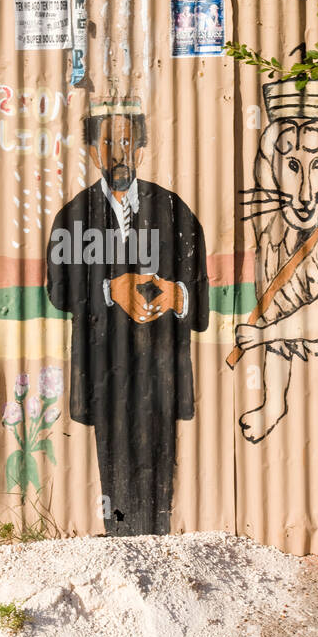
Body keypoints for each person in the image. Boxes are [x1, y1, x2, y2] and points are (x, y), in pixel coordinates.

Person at [45, 99, 208, 536]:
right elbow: (57, 291)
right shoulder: (73, 215)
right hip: (103, 374)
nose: (117, 153)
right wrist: (108, 288)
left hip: (162, 372)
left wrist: (179, 295)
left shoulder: (175, 211)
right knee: (114, 467)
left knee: (160, 468)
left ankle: (157, 540)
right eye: (107, 143)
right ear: (91, 150)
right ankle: (119, 535)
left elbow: (200, 291)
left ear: (141, 147)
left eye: (126, 141)